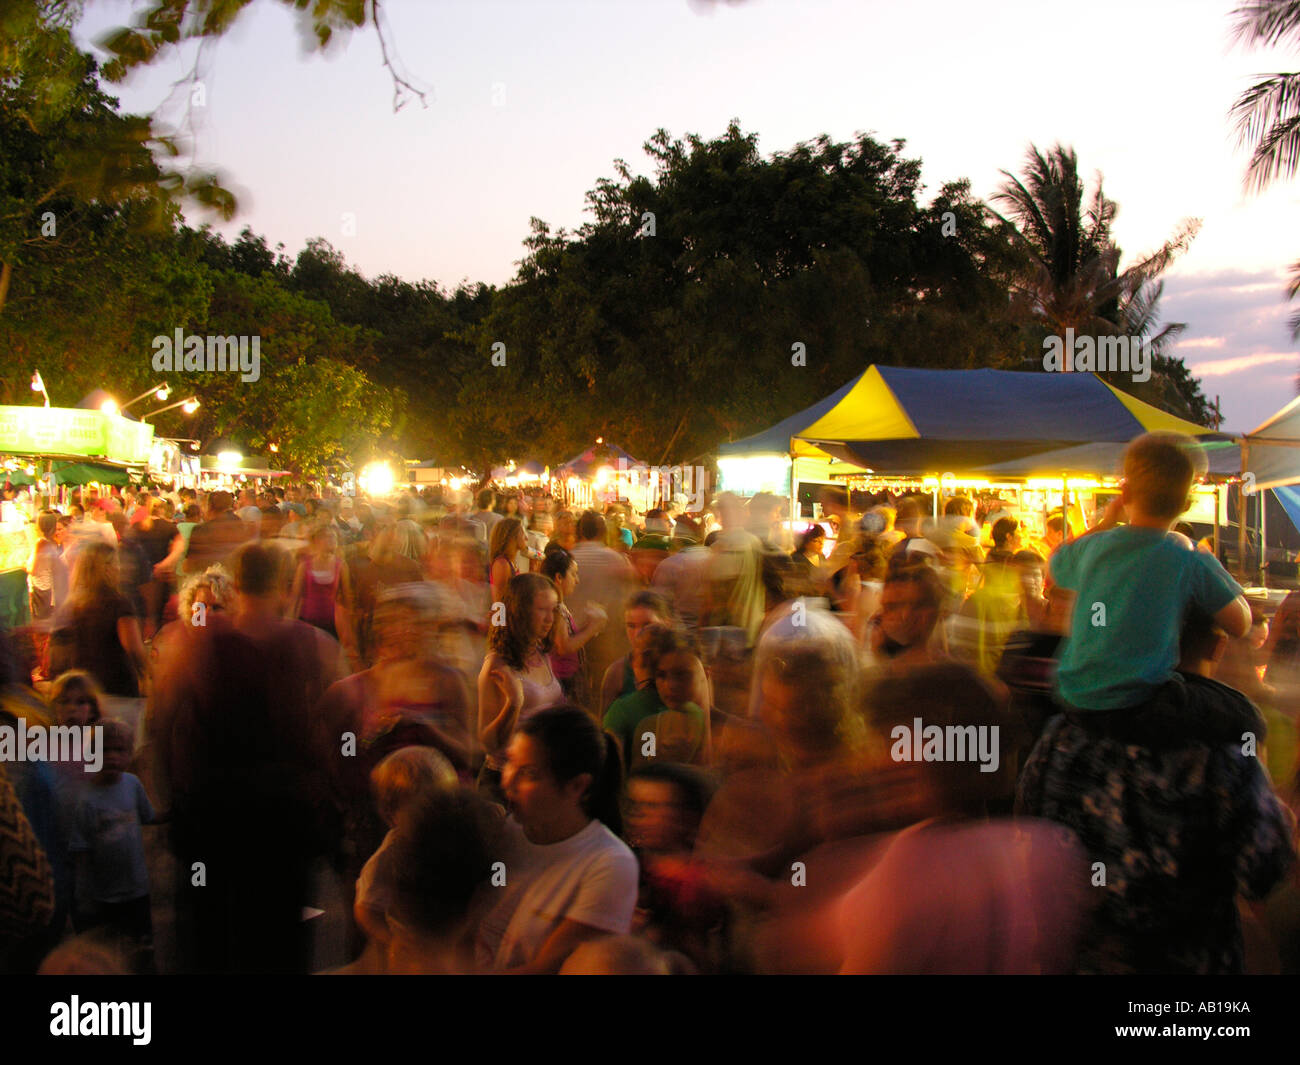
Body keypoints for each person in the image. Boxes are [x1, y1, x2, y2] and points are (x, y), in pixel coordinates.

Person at [1048, 433, 1251, 728]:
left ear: (1125, 494)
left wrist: (1103, 524)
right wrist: (1207, 561)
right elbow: (1240, 623)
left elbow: (1056, 566)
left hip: (1073, 697)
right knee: (1244, 716)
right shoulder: (1189, 559)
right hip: (1141, 701)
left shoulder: (1092, 547)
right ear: (1186, 504)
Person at [476, 705, 638, 973]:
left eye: (529, 773)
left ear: (577, 786)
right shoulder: (503, 833)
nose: (508, 782)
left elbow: (548, 968)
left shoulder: (609, 865)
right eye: (509, 763)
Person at [67, 718, 157, 972]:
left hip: (137, 890)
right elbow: (81, 850)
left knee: (142, 949)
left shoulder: (133, 785)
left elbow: (148, 816)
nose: (112, 757)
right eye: (104, 750)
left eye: (119, 750)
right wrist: (83, 894)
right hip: (105, 895)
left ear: (129, 754)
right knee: (108, 954)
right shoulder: (86, 798)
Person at [477, 573, 565, 799]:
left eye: (553, 610)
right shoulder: (497, 664)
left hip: (540, 775)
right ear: (520, 612)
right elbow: (488, 743)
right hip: (505, 782)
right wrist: (514, 704)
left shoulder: (540, 653)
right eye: (541, 610)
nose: (549, 619)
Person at [47, 542, 146, 703]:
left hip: (83, 690)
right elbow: (134, 649)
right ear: (106, 569)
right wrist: (148, 674)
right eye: (116, 563)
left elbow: (57, 651)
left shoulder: (72, 604)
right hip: (116, 687)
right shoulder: (118, 604)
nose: (119, 569)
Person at [541, 548, 607, 710]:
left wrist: (587, 626)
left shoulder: (558, 605)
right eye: (573, 574)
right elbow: (564, 647)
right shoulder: (555, 608)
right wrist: (592, 628)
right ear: (558, 577)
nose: (577, 580)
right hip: (564, 681)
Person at [488, 517, 528, 606]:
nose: (526, 537)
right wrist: (501, 620)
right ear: (512, 536)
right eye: (522, 533)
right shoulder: (502, 564)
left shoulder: (511, 562)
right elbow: (500, 600)